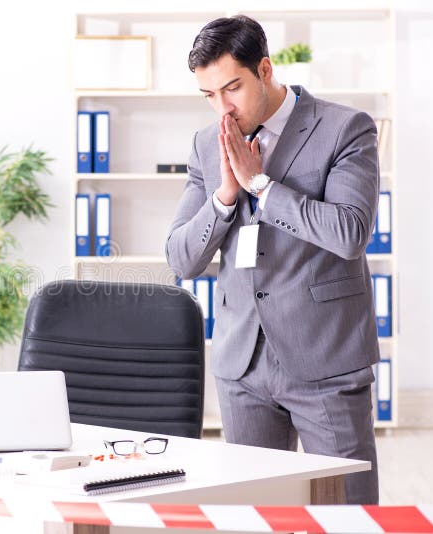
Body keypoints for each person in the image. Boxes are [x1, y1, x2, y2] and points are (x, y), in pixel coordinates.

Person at [165, 15, 380, 504]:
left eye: (232, 88)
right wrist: (224, 194)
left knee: (348, 513)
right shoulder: (206, 145)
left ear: (264, 69)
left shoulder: (346, 128)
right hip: (242, 366)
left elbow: (350, 232)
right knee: (254, 515)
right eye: (209, 96)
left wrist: (261, 185)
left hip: (325, 357)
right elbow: (181, 257)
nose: (222, 108)